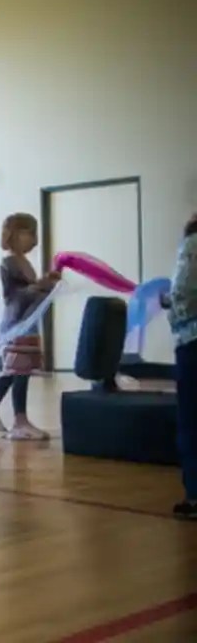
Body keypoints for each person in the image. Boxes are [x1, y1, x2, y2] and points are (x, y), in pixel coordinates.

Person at [0, 215, 58, 440]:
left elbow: (31, 292)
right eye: (30, 233)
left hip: (27, 324)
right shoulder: (10, 263)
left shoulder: (24, 263)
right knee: (17, 372)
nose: (35, 239)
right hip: (17, 325)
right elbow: (15, 295)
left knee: (17, 372)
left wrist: (45, 284)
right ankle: (18, 420)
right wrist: (39, 286)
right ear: (16, 234)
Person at [168, 213, 197, 520]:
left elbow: (182, 294)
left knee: (192, 418)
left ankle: (195, 495)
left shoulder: (193, 244)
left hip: (194, 340)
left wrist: (168, 305)